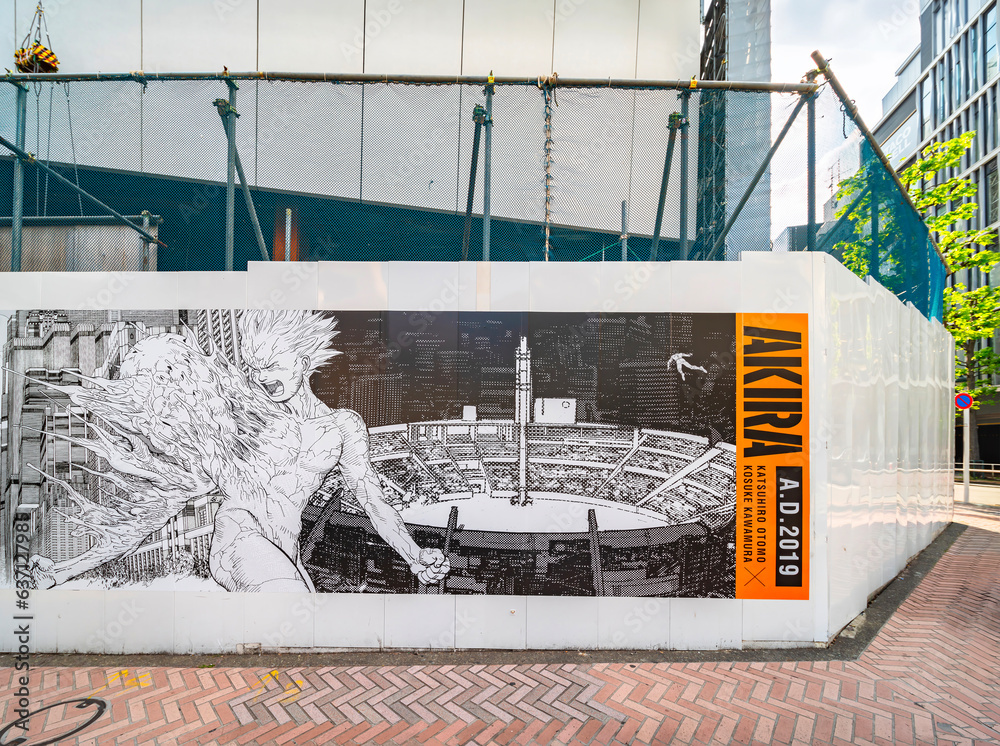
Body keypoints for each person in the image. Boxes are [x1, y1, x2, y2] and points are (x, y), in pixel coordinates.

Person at [220, 310, 449, 591]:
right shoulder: (247, 414)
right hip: (238, 534)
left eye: (270, 365)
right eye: (253, 368)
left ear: (302, 363)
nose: (259, 378)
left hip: (286, 552)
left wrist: (414, 556)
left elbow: (375, 504)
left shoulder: (343, 427)